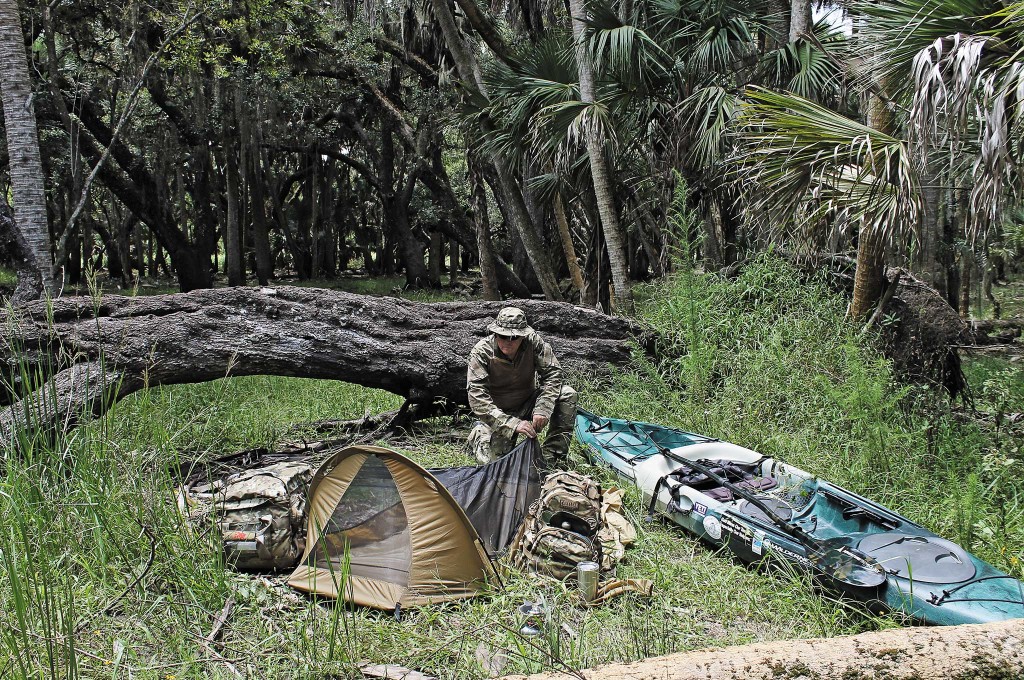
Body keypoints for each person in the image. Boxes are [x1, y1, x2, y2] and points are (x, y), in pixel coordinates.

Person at [466, 307, 577, 466]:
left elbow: (553, 374)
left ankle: (552, 458)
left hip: (528, 402)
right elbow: (478, 400)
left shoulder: (533, 342)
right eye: (503, 337)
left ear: (523, 336)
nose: (508, 342)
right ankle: (479, 434)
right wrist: (513, 424)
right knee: (493, 464)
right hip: (499, 412)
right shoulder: (481, 352)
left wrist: (543, 407)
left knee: (568, 394)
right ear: (495, 333)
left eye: (514, 338)